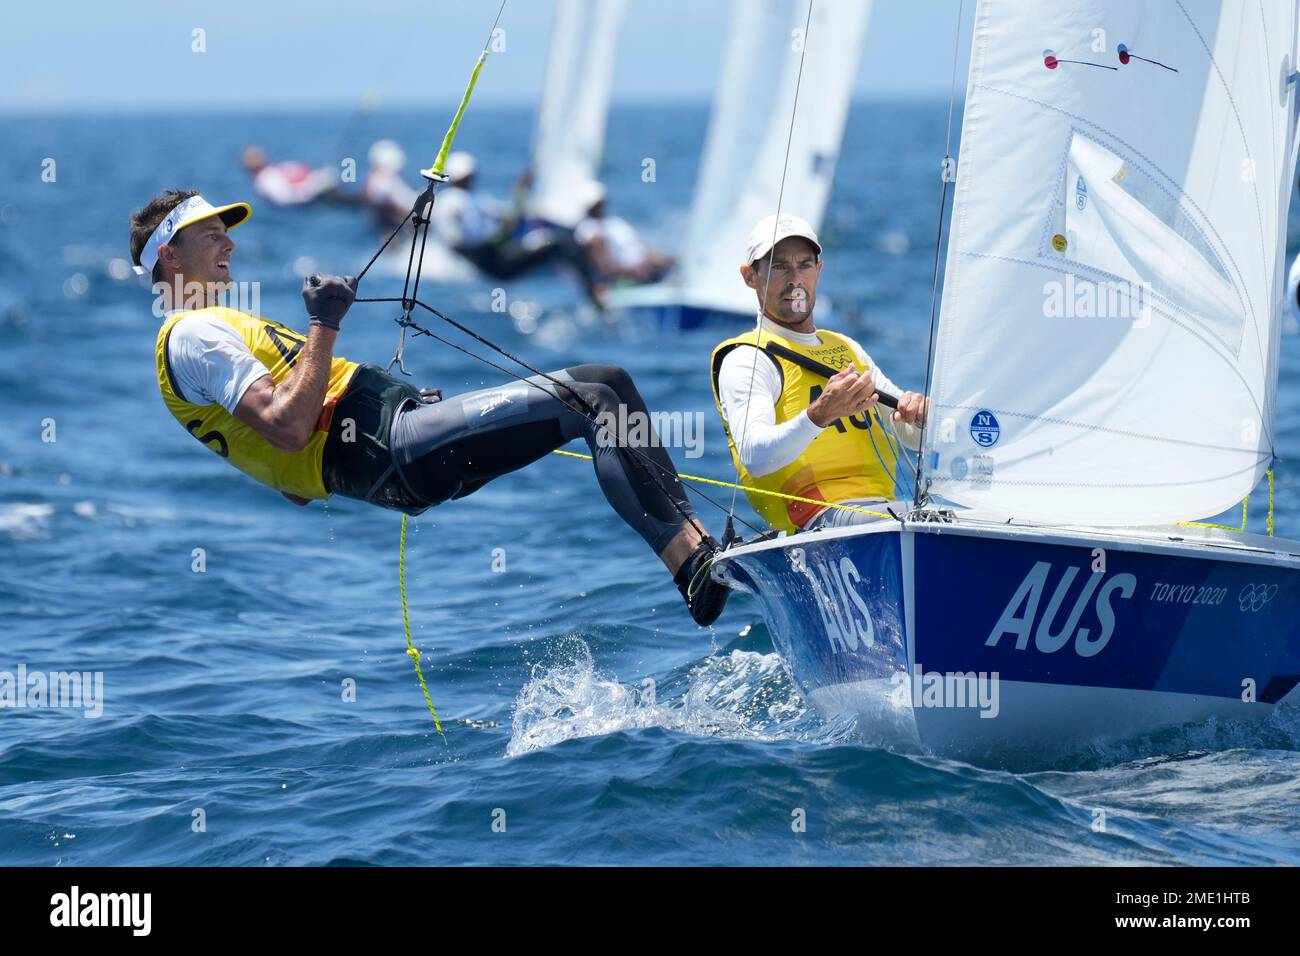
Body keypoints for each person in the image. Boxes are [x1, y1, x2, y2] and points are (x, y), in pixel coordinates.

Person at [129, 188, 730, 625]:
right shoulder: (195, 335)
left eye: (225, 231)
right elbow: (288, 429)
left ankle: (699, 553)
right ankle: (691, 568)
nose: (229, 241)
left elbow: (293, 482)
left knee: (609, 387)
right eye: (210, 235)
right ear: (171, 259)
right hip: (396, 450)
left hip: (401, 443)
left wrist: (401, 408)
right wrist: (324, 324)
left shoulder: (210, 333)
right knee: (594, 394)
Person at [710, 214, 929, 533]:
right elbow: (755, 455)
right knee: (923, 521)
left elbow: (909, 436)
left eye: (805, 265)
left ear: (819, 271)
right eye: (779, 266)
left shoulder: (847, 348)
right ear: (750, 276)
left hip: (885, 515)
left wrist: (922, 418)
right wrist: (819, 416)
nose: (795, 278)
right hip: (814, 520)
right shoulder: (748, 359)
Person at [430, 152, 604, 306]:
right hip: (494, 265)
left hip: (497, 255)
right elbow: (456, 243)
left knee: (559, 240)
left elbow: (506, 221)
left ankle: (594, 282)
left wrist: (521, 194)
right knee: (558, 243)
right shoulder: (450, 202)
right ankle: (593, 291)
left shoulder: (476, 199)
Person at [572, 181, 674, 285]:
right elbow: (604, 266)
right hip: (624, 279)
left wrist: (657, 259)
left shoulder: (614, 223)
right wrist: (632, 271)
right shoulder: (589, 229)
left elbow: (638, 246)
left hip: (643, 269)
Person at [241, 146, 342, 207]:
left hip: (317, 195)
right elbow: (284, 198)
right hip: (316, 196)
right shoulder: (266, 179)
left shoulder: (266, 177)